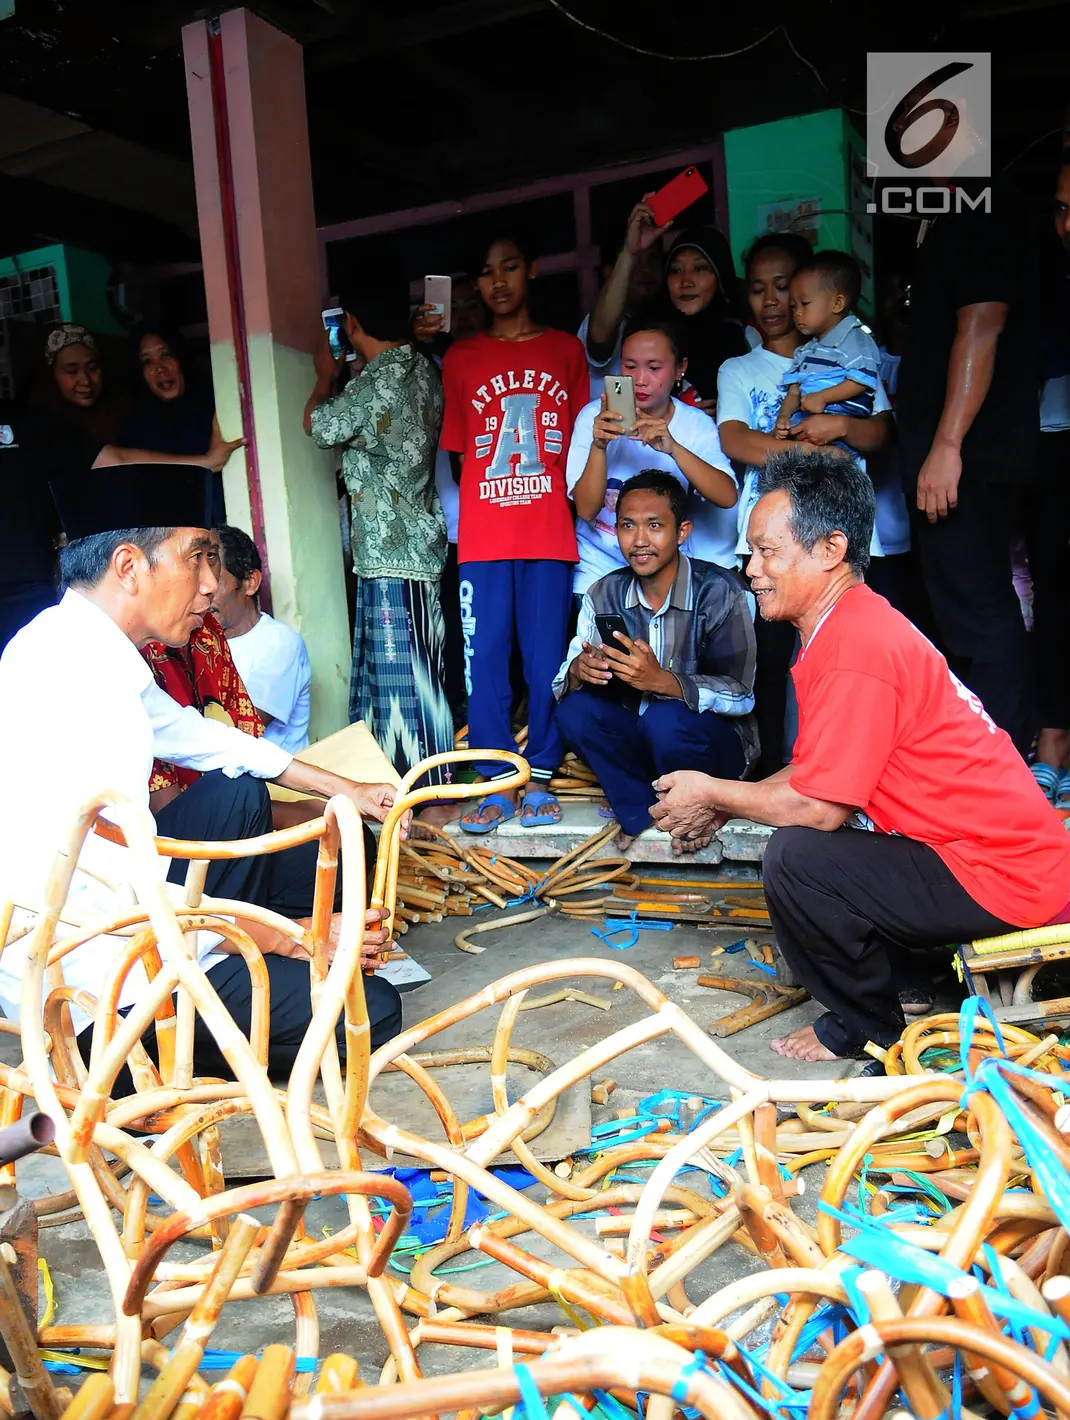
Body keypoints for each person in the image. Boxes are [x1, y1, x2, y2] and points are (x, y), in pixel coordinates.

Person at [650, 450, 1070, 1063]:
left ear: (830, 550)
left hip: (1007, 878)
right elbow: (818, 769)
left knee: (798, 857)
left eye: (767, 551)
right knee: (823, 842)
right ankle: (909, 983)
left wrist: (713, 791)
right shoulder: (847, 626)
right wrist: (727, 804)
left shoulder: (856, 644)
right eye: (751, 552)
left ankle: (866, 1027)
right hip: (988, 860)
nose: (751, 568)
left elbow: (818, 806)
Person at [0, 465, 403, 1083]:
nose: (212, 584)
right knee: (374, 1009)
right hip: (103, 994)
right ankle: (242, 977)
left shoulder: (68, 641)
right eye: (196, 558)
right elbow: (127, 898)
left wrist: (343, 789)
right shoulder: (81, 687)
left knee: (242, 794)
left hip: (128, 926)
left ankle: (261, 953)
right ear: (129, 567)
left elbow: (200, 737)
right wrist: (294, 935)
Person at [717, 234, 894, 778]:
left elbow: (880, 432)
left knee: (850, 657)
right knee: (773, 662)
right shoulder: (739, 369)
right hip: (771, 543)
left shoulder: (850, 351)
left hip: (842, 537)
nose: (774, 301)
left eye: (784, 288)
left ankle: (851, 773)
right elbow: (737, 441)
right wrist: (816, 451)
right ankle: (777, 773)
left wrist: (839, 427)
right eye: (758, 289)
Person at [439, 233, 590, 832]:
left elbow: (581, 443)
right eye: (486, 271)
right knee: (484, 664)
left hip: (549, 535)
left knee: (547, 661)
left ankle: (542, 774)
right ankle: (498, 779)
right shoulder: (460, 359)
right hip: (484, 541)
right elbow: (460, 457)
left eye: (509, 266)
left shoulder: (566, 351)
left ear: (532, 270)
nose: (498, 281)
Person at [896, 179, 1039, 755]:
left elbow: (983, 324)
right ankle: (989, 758)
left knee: (977, 610)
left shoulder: (977, 215)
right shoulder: (955, 219)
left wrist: (947, 444)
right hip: (961, 456)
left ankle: (1001, 763)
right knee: (965, 608)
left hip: (964, 458)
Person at [554, 471, 756, 852]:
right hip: (647, 747)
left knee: (664, 719)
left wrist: (663, 681)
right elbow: (563, 679)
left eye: (655, 525)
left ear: (682, 532)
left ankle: (695, 808)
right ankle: (642, 809)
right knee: (574, 711)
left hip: (713, 753)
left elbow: (743, 695)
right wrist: (580, 670)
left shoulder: (722, 592)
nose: (640, 540)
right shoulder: (603, 593)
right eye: (627, 526)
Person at [305, 276, 453, 786]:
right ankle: (424, 787)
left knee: (396, 689)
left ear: (351, 323)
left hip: (389, 556)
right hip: (422, 548)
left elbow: (318, 426)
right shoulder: (424, 369)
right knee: (423, 677)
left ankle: (412, 794)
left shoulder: (372, 384)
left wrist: (324, 377)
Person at [566, 323, 738, 596]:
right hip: (598, 572)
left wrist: (673, 448)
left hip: (664, 576)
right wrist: (599, 446)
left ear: (680, 369)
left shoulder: (694, 425)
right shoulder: (593, 418)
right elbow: (586, 510)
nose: (640, 379)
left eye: (654, 368)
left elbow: (727, 497)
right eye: (630, 366)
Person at [413, 275, 487, 728]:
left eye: (471, 303)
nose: (464, 313)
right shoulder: (430, 366)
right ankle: (463, 722)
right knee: (457, 633)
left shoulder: (497, 362)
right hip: (448, 527)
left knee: (491, 631)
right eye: (452, 306)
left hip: (491, 522)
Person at [1026, 160, 1070, 804]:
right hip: (1057, 446)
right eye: (1061, 208)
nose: (1067, 224)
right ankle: (1055, 742)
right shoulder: (1052, 277)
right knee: (1057, 596)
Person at [211, 524, 312, 755]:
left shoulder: (280, 644)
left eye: (215, 581)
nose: (204, 592)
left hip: (274, 778)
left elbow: (243, 728)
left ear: (250, 582)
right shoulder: (199, 644)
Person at [119, 325, 225, 520]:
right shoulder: (136, 431)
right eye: (147, 361)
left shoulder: (216, 403)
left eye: (166, 354)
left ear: (181, 359)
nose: (160, 367)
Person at [773, 251, 880, 441]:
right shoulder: (806, 350)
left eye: (805, 303)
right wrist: (783, 417)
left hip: (841, 414)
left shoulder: (855, 338)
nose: (797, 313)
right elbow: (795, 390)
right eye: (794, 306)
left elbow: (862, 380)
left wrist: (823, 397)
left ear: (837, 303)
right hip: (808, 415)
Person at [581, 206, 666, 395]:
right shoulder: (601, 322)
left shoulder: (668, 323)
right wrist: (629, 252)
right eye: (637, 260)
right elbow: (601, 337)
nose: (646, 269)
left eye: (653, 258)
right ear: (610, 273)